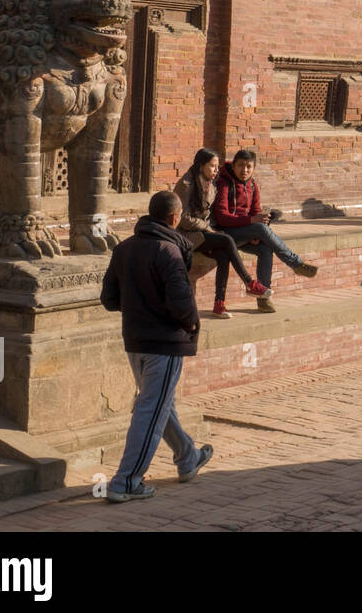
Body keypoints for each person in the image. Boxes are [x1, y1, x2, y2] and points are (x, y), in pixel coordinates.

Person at [100, 191, 213, 502]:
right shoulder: (169, 251)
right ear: (175, 218)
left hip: (135, 340)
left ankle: (188, 456)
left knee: (158, 402)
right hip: (164, 342)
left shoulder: (123, 248)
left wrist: (138, 307)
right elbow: (181, 303)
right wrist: (192, 324)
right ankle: (126, 481)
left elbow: (109, 298)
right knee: (150, 408)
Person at [212, 150, 318, 311]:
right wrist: (252, 223)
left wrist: (256, 231)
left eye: (249, 166)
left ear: (253, 168)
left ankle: (264, 298)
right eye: (240, 165)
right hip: (226, 234)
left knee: (265, 248)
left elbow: (255, 212)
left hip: (245, 233)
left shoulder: (252, 185)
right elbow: (222, 218)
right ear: (233, 166)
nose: (244, 170)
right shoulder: (224, 183)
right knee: (260, 228)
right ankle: (295, 263)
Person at [173, 148, 269, 319]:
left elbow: (213, 214)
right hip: (186, 235)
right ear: (201, 165)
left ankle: (219, 304)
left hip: (204, 232)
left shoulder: (212, 183)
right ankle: (249, 282)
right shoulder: (186, 184)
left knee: (224, 255)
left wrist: (212, 228)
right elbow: (182, 218)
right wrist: (208, 228)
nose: (216, 170)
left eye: (217, 166)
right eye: (212, 166)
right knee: (226, 240)